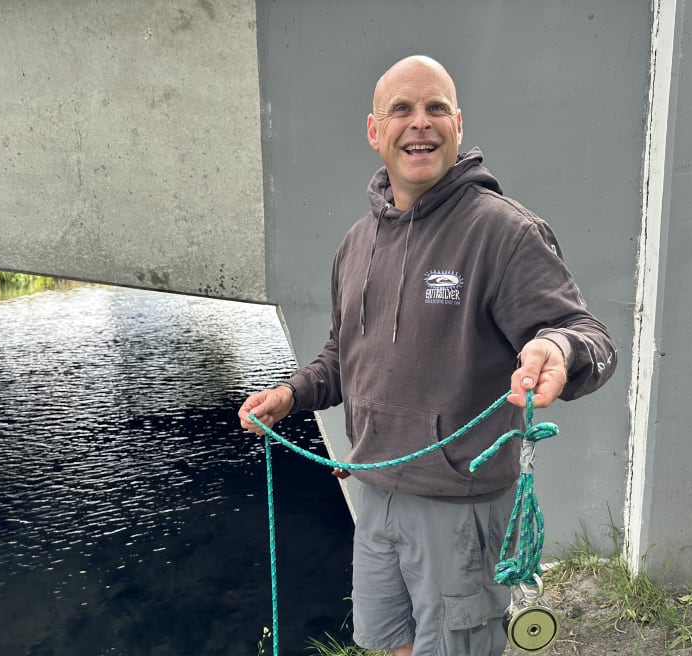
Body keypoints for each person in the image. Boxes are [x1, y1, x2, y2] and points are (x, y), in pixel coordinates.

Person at [238, 55, 617, 656]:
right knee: (390, 645)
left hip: (459, 509)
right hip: (375, 493)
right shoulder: (356, 242)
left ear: (458, 125)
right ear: (375, 131)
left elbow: (587, 334)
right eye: (403, 110)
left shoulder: (505, 232)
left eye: (436, 108)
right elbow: (343, 355)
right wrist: (292, 394)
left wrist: (556, 348)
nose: (421, 123)